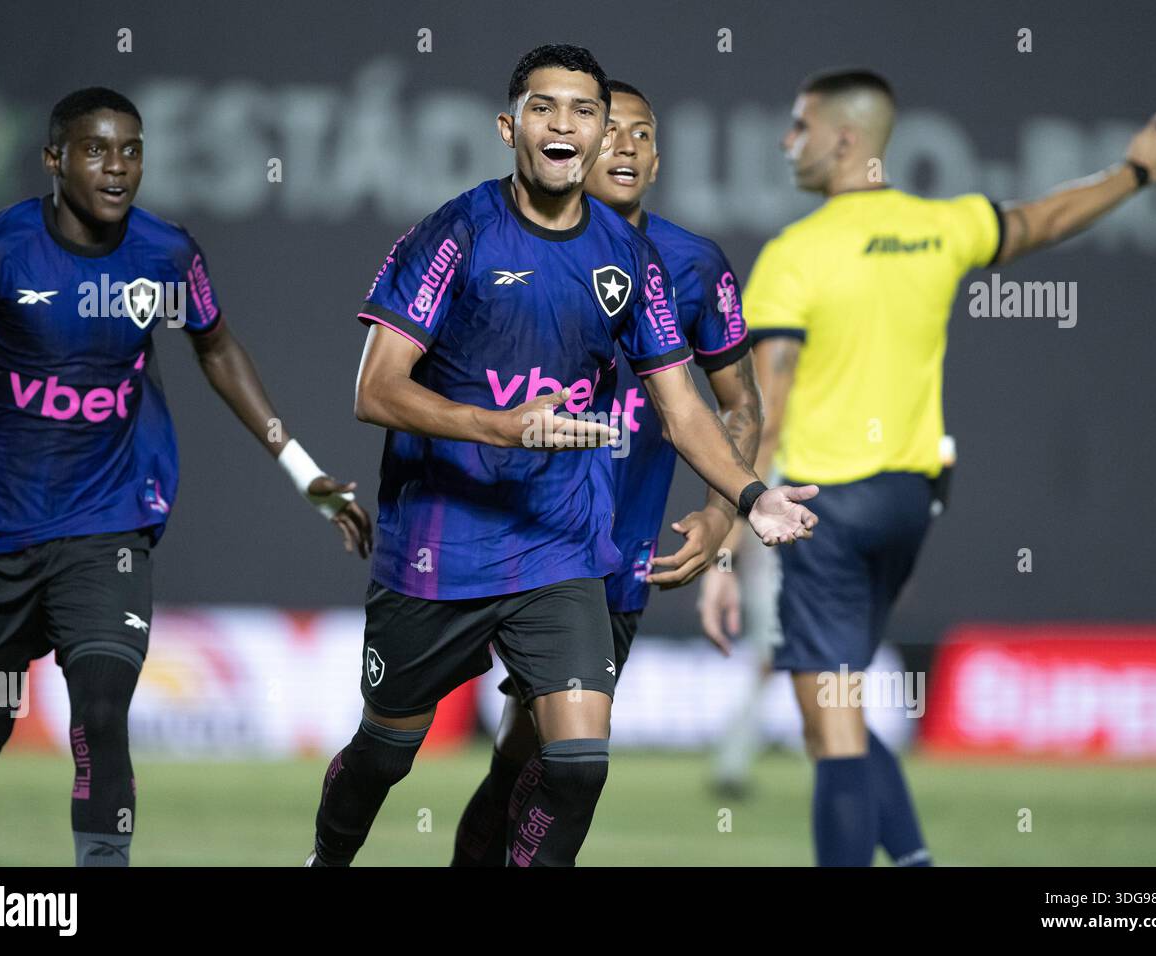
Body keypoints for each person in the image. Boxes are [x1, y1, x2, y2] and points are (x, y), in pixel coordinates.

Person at [309, 45, 817, 868]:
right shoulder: (455, 233)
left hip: (561, 547)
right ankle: (326, 860)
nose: (569, 126)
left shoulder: (633, 257)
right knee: (385, 753)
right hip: (443, 548)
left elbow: (685, 404)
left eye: (586, 113)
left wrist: (751, 498)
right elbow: (375, 391)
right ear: (511, 127)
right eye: (547, 109)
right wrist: (503, 426)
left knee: (574, 763)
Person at [697, 68, 1156, 866]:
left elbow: (770, 408)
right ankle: (915, 860)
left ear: (844, 138)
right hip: (907, 506)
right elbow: (1047, 218)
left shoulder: (797, 254)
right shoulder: (944, 228)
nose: (787, 141)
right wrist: (1136, 172)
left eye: (799, 126)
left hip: (824, 508)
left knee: (829, 730)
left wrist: (727, 539)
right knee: (846, 705)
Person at [0, 87, 371, 866]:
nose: (117, 167)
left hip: (108, 530)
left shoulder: (166, 256)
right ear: (53, 159)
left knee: (101, 710)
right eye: (96, 149)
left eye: (131, 150)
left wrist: (304, 472)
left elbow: (217, 348)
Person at [451, 79, 762, 866]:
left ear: (657, 160)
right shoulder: (495, 247)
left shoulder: (694, 266)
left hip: (613, 559)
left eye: (643, 135)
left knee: (539, 757)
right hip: (503, 539)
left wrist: (722, 515)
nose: (624, 146)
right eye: (609, 129)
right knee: (554, 758)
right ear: (573, 147)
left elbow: (739, 406)